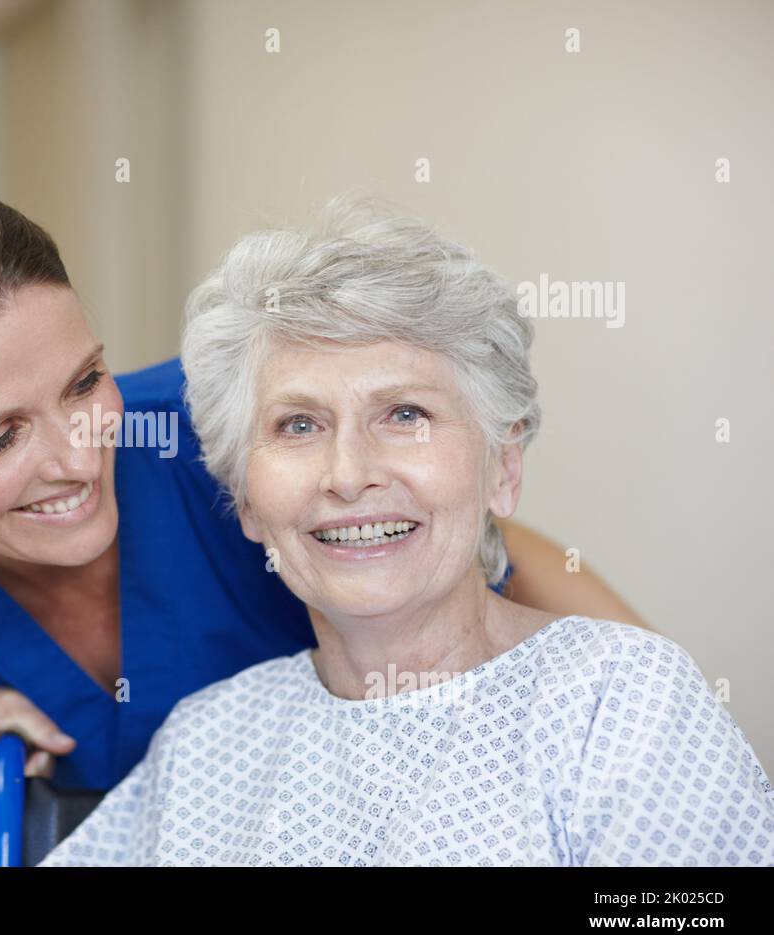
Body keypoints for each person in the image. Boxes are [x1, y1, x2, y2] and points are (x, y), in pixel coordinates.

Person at [0, 178, 647, 806]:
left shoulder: (207, 433)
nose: (77, 455)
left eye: (81, 381)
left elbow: (477, 543)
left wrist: (648, 700)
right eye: (0, 436)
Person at [38, 196, 774, 865]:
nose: (349, 473)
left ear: (502, 469)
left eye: (406, 415)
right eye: (298, 424)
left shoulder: (619, 700)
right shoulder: (206, 743)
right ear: (248, 503)